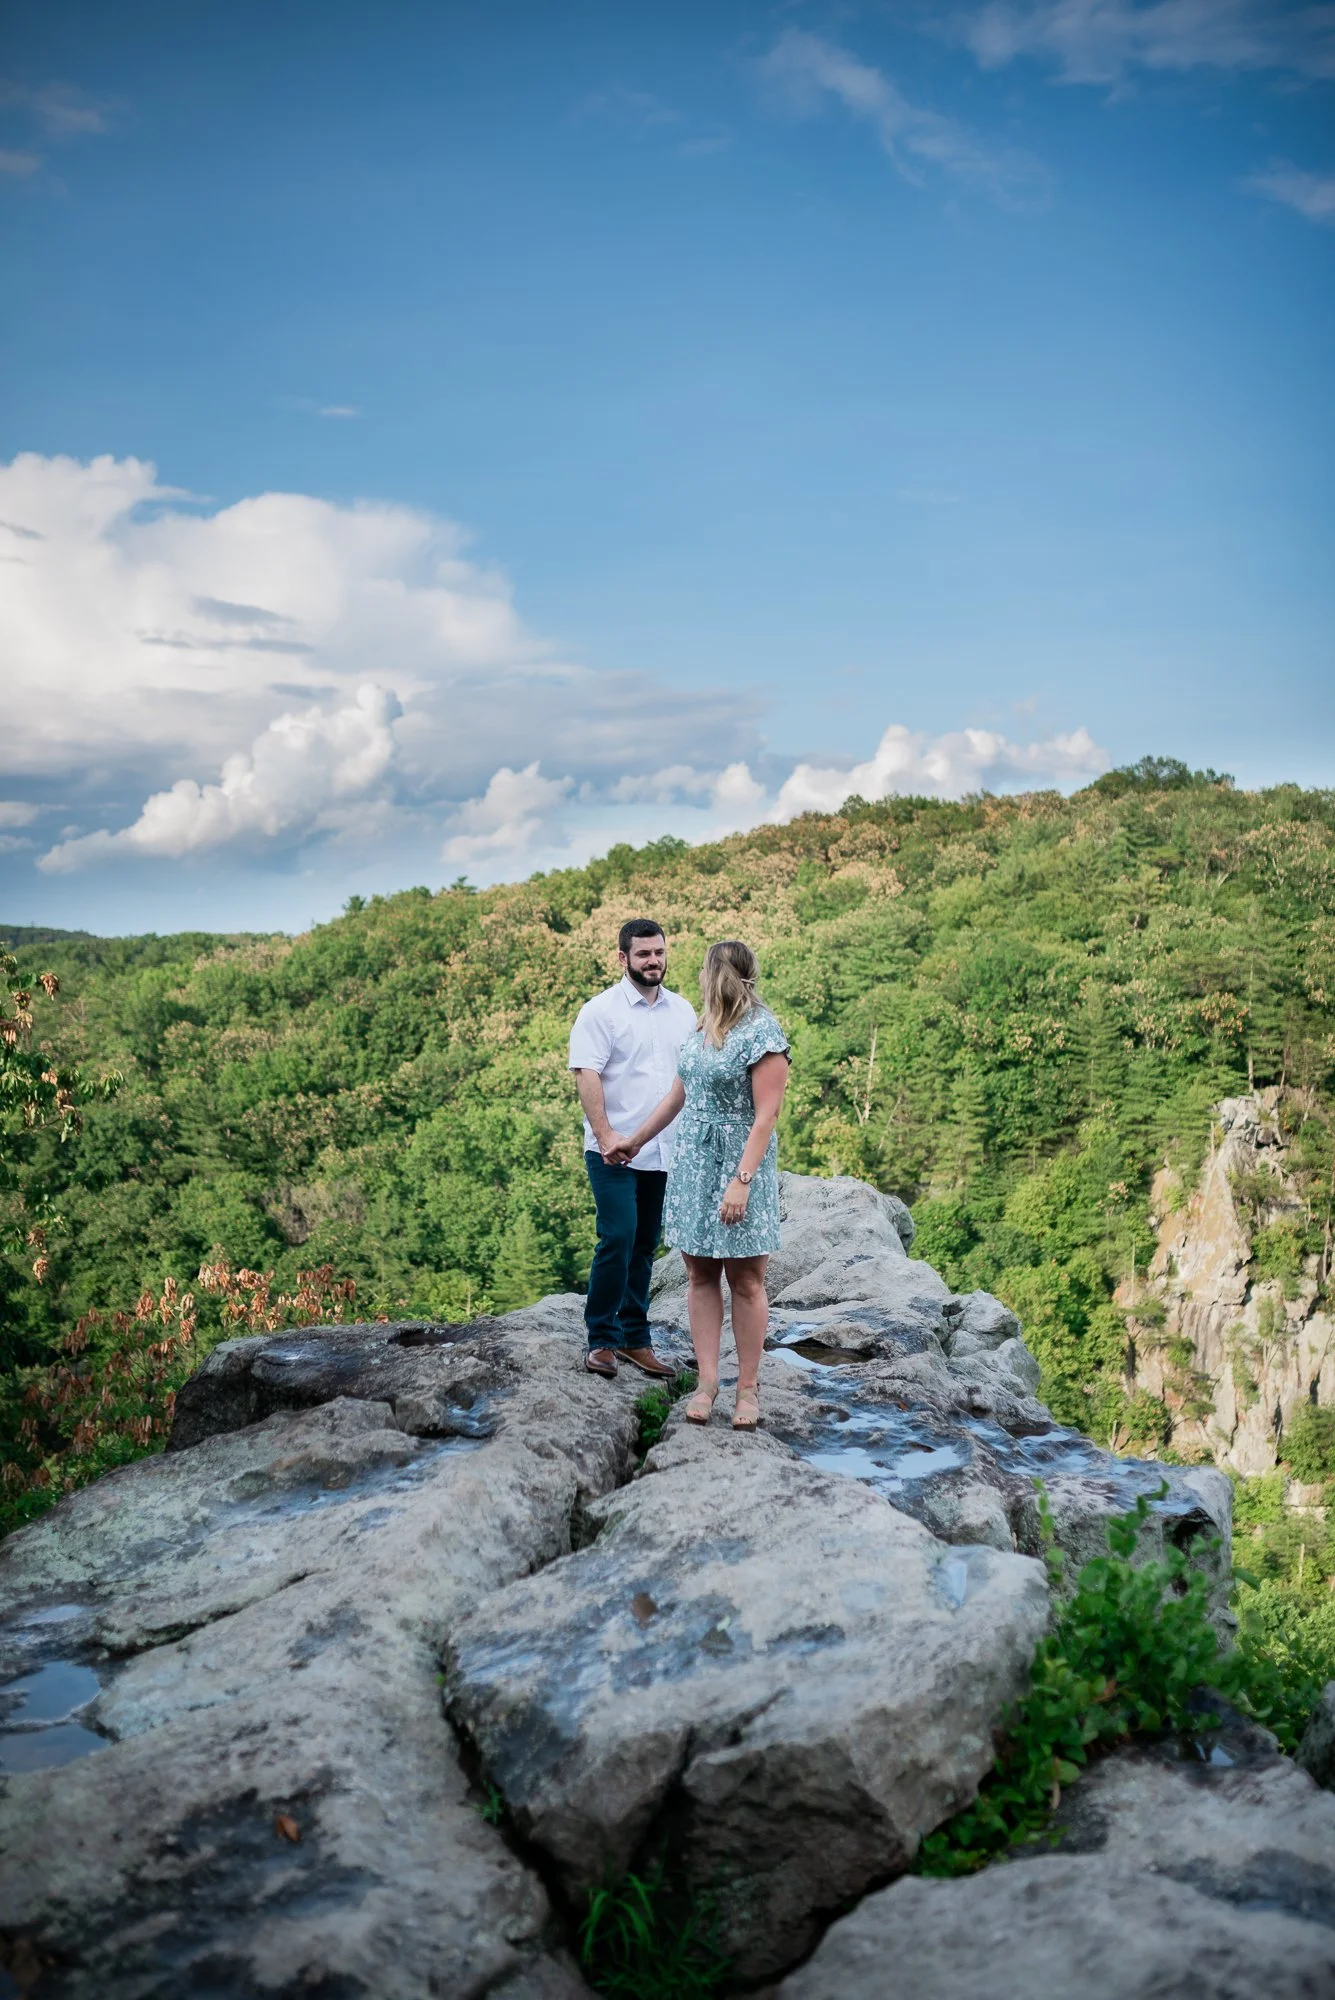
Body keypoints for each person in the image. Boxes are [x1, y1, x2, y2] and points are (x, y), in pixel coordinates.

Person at [610, 939, 790, 1431]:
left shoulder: (763, 1032)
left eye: (706, 972)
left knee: (746, 1280)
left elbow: (766, 1116)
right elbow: (679, 1095)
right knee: (699, 1276)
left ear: (720, 975)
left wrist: (742, 1181)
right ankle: (707, 1382)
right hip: (693, 1165)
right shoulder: (701, 1027)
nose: (700, 980)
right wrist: (636, 1141)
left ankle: (747, 1388)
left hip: (739, 1163)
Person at [568, 918, 697, 1379]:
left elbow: (690, 1077)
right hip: (613, 1150)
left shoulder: (683, 1011)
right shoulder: (600, 1011)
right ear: (623, 958)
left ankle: (635, 1339)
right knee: (618, 1236)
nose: (653, 960)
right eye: (643, 954)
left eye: (659, 952)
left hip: (664, 1150)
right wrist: (605, 1137)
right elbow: (586, 1075)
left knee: (644, 1244)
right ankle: (602, 1340)